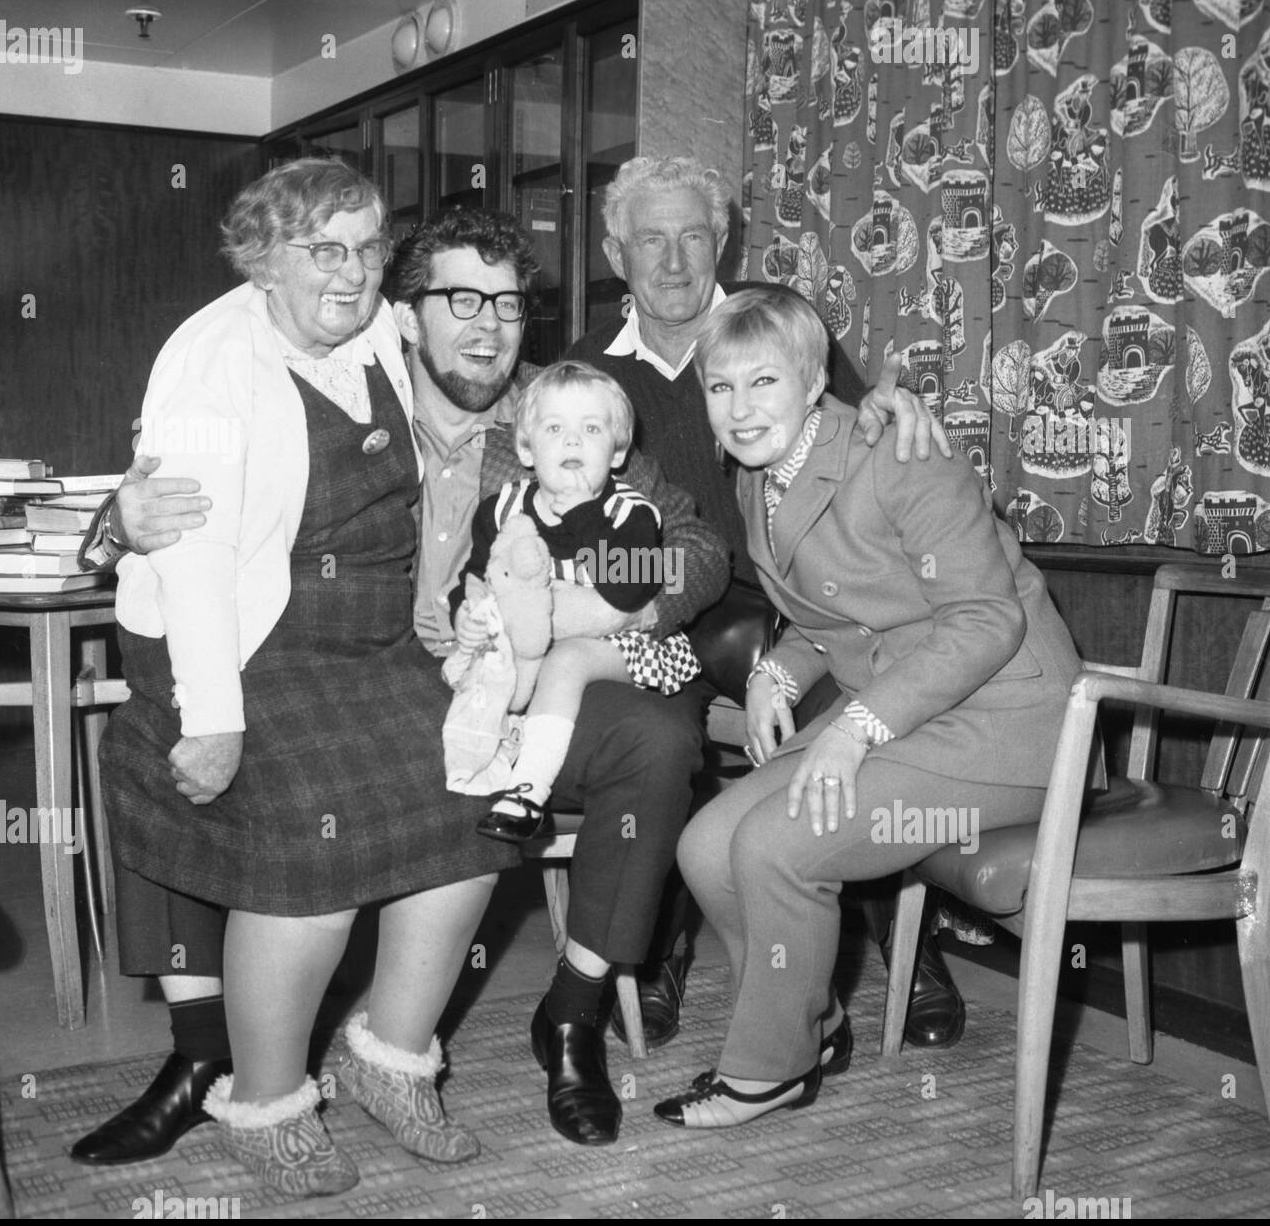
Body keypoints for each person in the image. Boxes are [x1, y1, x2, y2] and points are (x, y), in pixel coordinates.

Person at [83, 203, 729, 1152]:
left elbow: (695, 542)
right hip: (357, 673)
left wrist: (611, 606)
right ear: (405, 311)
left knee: (658, 735)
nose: (488, 326)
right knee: (171, 720)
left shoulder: (556, 419)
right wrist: (117, 519)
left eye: (508, 305)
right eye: (461, 299)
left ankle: (573, 1014)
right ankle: (201, 1052)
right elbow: (185, 497)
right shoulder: (331, 384)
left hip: (508, 679)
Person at [93, 159, 525, 1195]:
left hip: (373, 644)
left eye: (370, 246)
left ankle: (391, 1062)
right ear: (262, 260)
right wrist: (215, 716)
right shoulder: (208, 362)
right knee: (313, 870)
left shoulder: (378, 328)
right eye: (323, 249)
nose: (354, 270)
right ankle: (268, 1100)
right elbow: (190, 555)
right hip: (247, 643)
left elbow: (489, 375)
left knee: (477, 816)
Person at [653, 287, 1083, 1129]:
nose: (738, 411)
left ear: (814, 383)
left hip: (1009, 719)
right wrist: (776, 672)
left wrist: (856, 727)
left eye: (763, 383)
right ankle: (806, 1024)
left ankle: (767, 1069)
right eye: (719, 387)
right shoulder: (754, 476)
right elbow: (840, 614)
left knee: (779, 844)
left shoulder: (898, 452)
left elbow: (985, 618)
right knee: (706, 844)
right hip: (899, 701)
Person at [565, 154, 968, 1051]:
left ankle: (906, 943)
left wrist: (899, 413)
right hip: (680, 606)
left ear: (724, 241)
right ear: (612, 253)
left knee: (849, 715)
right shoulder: (587, 370)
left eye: (694, 237)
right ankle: (661, 945)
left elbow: (862, 432)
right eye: (649, 242)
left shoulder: (773, 326)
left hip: (809, 605)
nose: (673, 262)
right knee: (652, 728)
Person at [448, 362, 700, 841]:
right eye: (554, 428)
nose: (572, 442)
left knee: (564, 660)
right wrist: (467, 612)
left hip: (631, 645)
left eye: (591, 429)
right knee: (492, 673)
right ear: (525, 447)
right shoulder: (501, 509)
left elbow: (630, 590)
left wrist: (585, 515)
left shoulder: (631, 514)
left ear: (619, 449)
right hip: (533, 648)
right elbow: (480, 576)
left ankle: (528, 791)